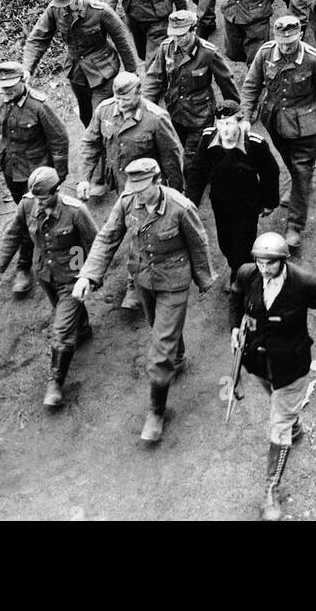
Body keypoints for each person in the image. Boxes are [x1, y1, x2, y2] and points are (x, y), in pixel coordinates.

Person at [73, 158, 214, 444]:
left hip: (174, 281)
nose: (138, 193)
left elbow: (199, 243)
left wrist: (204, 279)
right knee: (158, 328)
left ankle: (156, 411)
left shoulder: (180, 207)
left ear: (158, 181)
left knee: (159, 348)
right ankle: (178, 358)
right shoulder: (127, 202)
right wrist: (88, 275)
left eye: (143, 187)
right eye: (133, 187)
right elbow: (107, 238)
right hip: (143, 279)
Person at [229, 233, 316, 520]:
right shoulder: (247, 273)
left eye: (270, 264)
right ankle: (294, 425)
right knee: (280, 406)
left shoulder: (305, 284)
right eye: (260, 262)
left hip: (291, 366)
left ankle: (271, 490)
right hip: (258, 362)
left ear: (282, 261)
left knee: (278, 425)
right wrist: (233, 329)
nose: (264, 269)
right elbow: (236, 296)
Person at [0, 166, 97, 409]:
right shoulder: (27, 205)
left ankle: (55, 383)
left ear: (56, 191)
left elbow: (96, 245)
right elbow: (13, 235)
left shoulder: (75, 211)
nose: (39, 203)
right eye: (36, 198)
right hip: (45, 274)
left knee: (61, 330)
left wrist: (88, 277)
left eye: (44, 197)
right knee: (64, 311)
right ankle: (83, 326)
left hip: (72, 273)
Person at [0, 62, 70, 297]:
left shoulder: (39, 106)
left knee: (28, 214)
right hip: (11, 169)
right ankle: (35, 249)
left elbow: (60, 139)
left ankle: (24, 266)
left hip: (36, 171)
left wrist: (58, 176)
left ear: (24, 81)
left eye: (11, 86)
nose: (7, 92)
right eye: (3, 87)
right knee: (26, 213)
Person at [76, 64, 185, 289]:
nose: (121, 104)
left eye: (126, 99)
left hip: (148, 187)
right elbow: (90, 143)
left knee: (141, 230)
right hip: (119, 182)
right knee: (119, 227)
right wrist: (85, 177)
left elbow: (171, 158)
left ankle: (135, 283)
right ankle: (104, 274)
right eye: (118, 99)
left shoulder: (155, 118)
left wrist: (175, 191)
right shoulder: (104, 110)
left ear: (138, 92)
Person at [239, 12, 316, 250]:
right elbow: (251, 85)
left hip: (306, 124)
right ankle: (299, 183)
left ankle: (294, 226)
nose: (285, 48)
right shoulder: (265, 53)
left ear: (300, 36)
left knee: (302, 169)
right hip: (274, 121)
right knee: (290, 163)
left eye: (291, 43)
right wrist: (245, 116)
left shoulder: (314, 59)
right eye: (282, 43)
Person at [142, 8, 239, 202]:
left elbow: (226, 82)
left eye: (182, 35)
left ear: (193, 30)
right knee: (187, 151)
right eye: (174, 35)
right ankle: (207, 165)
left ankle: (190, 201)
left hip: (201, 115)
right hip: (175, 113)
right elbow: (154, 79)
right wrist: (145, 106)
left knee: (190, 162)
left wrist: (234, 112)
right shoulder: (166, 48)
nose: (178, 40)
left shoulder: (208, 53)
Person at [22, 0, 138, 129]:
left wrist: (131, 73)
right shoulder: (54, 10)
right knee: (86, 115)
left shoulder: (100, 11)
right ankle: (97, 146)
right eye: (62, 3)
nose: (65, 7)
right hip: (77, 73)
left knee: (101, 115)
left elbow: (123, 40)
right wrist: (27, 68)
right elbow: (37, 39)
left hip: (104, 71)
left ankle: (107, 148)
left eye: (68, 2)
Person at [192, 112, 279, 286]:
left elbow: (270, 172)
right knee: (225, 242)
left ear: (239, 124)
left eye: (229, 124)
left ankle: (239, 281)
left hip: (246, 205)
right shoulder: (208, 139)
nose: (224, 129)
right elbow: (197, 171)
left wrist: (269, 203)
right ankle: (237, 267)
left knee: (243, 244)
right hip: (220, 202)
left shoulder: (254, 144)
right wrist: (190, 203)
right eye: (221, 124)